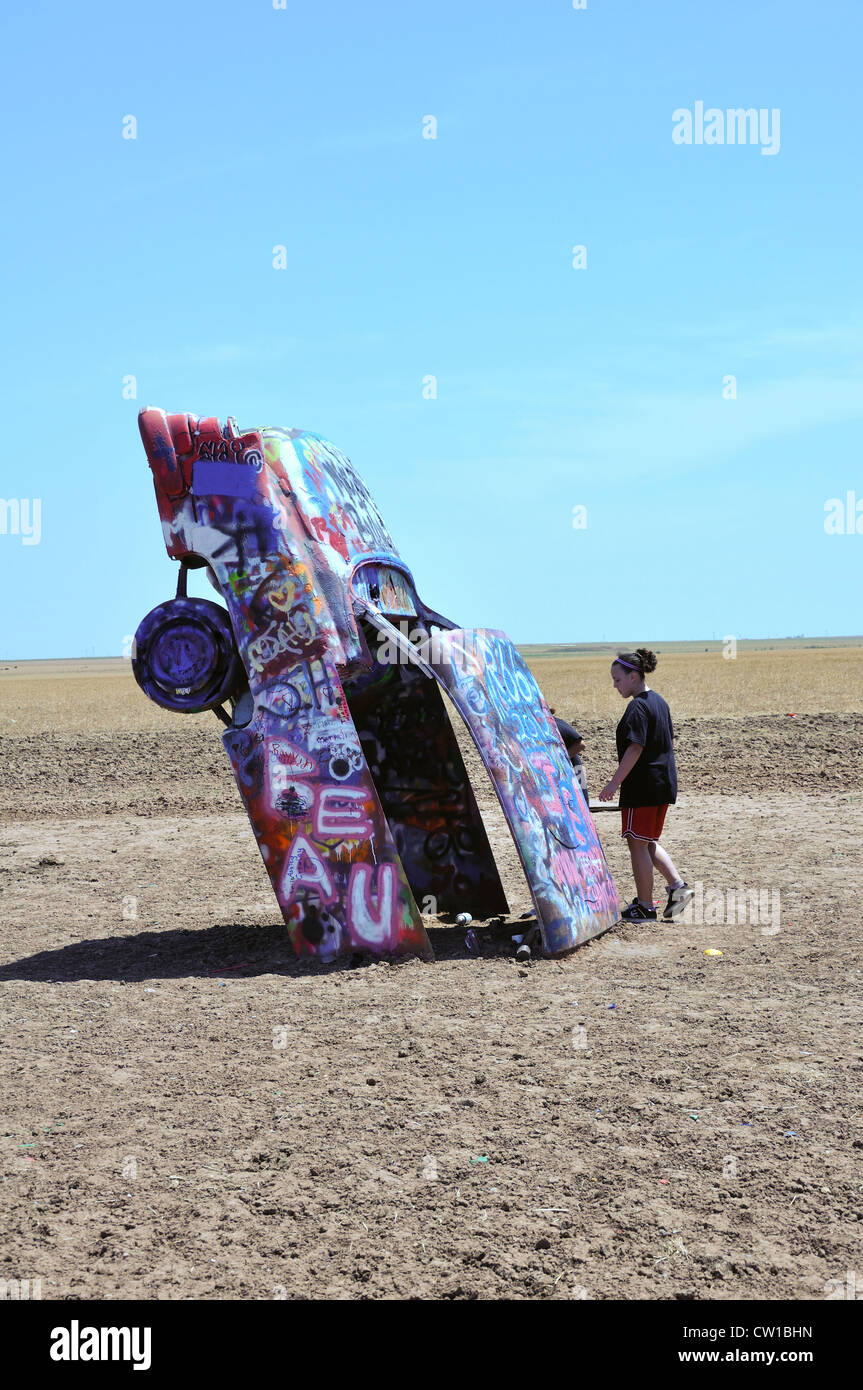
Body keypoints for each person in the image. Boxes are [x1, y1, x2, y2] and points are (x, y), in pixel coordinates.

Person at [597, 649, 693, 923]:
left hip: (644, 787)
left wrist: (613, 783)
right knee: (647, 841)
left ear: (634, 676)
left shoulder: (638, 706)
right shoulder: (659, 702)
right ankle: (678, 887)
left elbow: (635, 747)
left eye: (618, 679)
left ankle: (645, 907)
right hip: (663, 784)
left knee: (636, 844)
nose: (615, 685)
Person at [549, 707, 589, 796]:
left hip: (572, 769)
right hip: (562, 770)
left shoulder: (554, 724)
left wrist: (557, 761)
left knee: (580, 801)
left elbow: (581, 744)